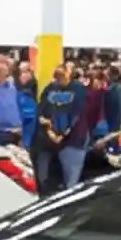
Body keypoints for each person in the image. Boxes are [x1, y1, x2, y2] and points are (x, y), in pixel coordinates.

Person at [37, 66, 89, 195]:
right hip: (53, 141)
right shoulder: (52, 88)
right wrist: (50, 130)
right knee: (51, 182)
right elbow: (41, 110)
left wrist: (59, 134)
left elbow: (76, 114)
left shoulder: (77, 89)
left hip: (72, 141)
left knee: (69, 185)